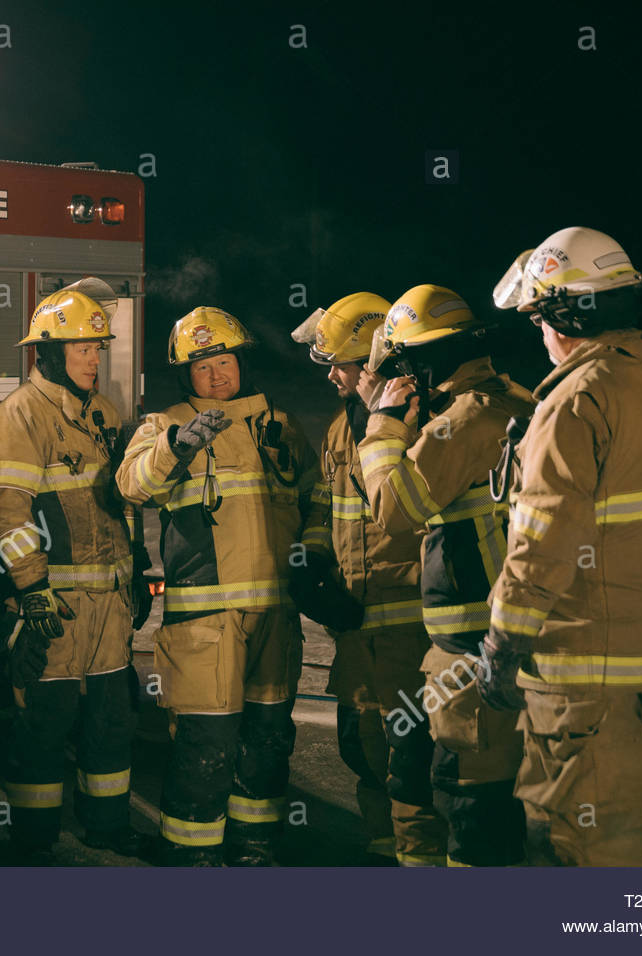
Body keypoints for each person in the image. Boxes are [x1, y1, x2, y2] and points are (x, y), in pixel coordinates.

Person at [480, 227, 642, 865]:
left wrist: (503, 642)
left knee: (583, 845)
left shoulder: (572, 400)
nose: (540, 335)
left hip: (584, 680)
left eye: (539, 319)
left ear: (562, 316)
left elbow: (539, 542)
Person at [118, 307, 319, 866]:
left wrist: (318, 555)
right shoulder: (164, 425)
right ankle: (189, 852)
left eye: (224, 362)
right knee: (205, 740)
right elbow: (131, 485)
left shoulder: (277, 423)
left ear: (241, 363)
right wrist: (176, 447)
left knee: (268, 736)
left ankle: (255, 845)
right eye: (202, 366)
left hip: (274, 616)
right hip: (206, 621)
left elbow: (319, 496)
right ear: (186, 374)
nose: (215, 375)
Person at [358, 285, 535, 866]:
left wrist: (382, 427)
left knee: (470, 803)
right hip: (506, 638)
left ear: (426, 360)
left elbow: (395, 509)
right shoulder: (511, 398)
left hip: (472, 648)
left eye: (405, 364)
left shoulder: (464, 421)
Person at [0, 277, 148, 862]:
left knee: (111, 718)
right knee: (46, 723)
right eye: (81, 348)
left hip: (110, 601)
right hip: (56, 604)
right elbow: (9, 509)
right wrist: (31, 591)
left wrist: (139, 562)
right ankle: (34, 838)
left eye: (98, 348)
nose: (93, 359)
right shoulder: (21, 415)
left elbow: (120, 499)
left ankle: (106, 823)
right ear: (47, 352)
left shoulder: (102, 411)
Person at [292, 293, 447, 866]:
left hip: (415, 634)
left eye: (342, 364)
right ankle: (385, 859)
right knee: (363, 754)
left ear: (375, 363)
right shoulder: (340, 430)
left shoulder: (423, 421)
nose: (333, 375)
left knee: (417, 767)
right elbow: (322, 509)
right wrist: (310, 564)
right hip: (356, 632)